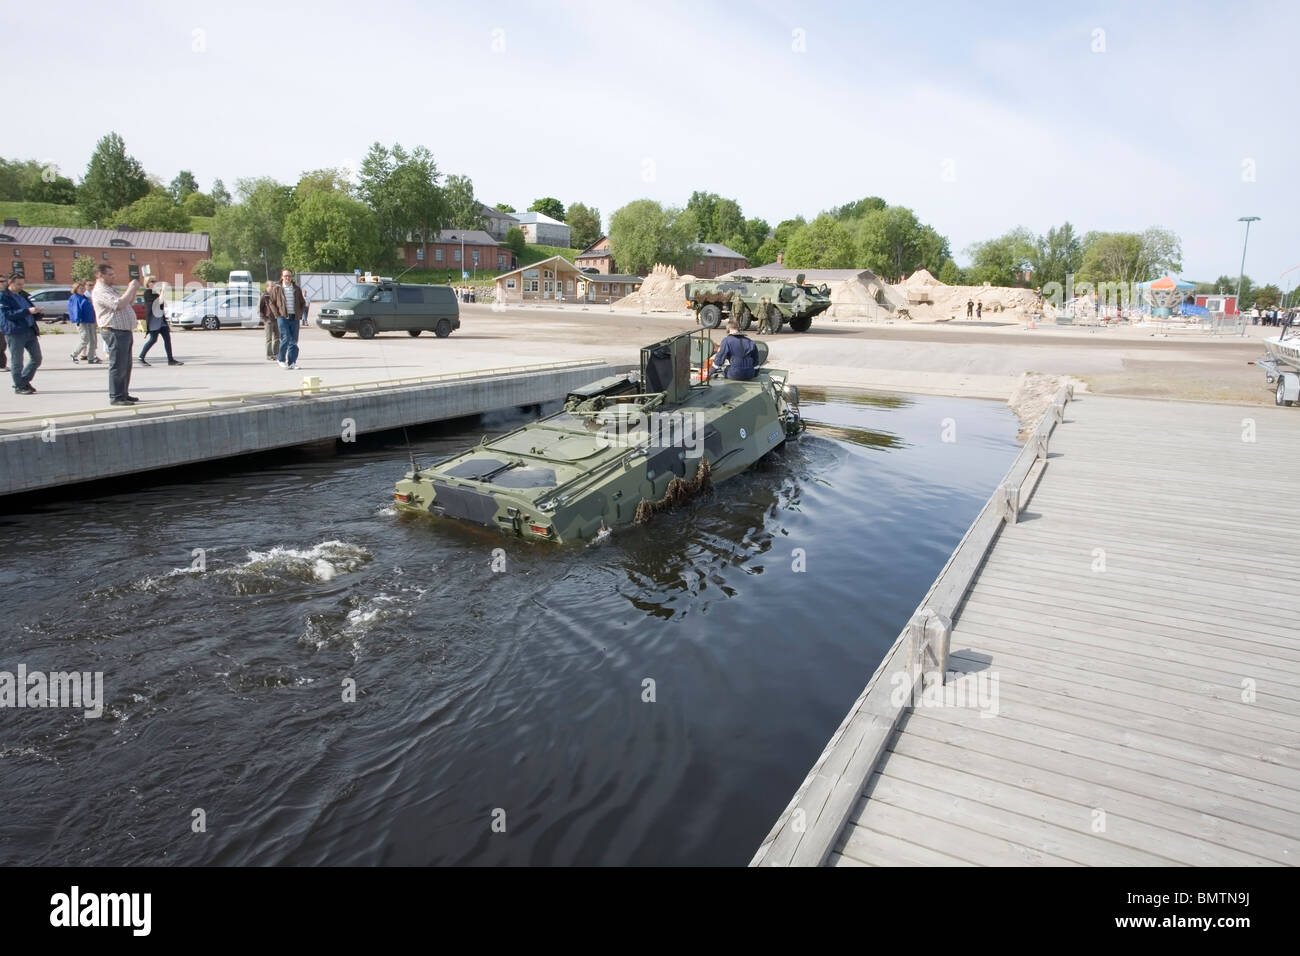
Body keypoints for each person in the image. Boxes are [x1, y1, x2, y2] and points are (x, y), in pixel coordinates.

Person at [91, 263, 141, 406]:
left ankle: (123, 393)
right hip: (114, 330)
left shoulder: (110, 289)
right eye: (110, 274)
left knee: (126, 364)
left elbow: (127, 303)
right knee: (118, 365)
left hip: (123, 330)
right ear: (100, 276)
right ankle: (116, 396)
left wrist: (133, 291)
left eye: (113, 274)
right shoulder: (100, 291)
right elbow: (118, 305)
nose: (114, 276)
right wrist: (130, 288)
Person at [1, 274, 43, 394]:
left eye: (22, 284)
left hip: (29, 330)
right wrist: (27, 311)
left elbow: (30, 309)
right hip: (15, 332)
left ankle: (23, 381)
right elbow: (8, 314)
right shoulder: (3, 296)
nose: (21, 286)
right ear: (10, 283)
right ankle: (19, 386)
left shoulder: (23, 295)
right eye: (18, 284)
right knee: (17, 361)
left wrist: (37, 312)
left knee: (37, 358)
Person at [139, 277, 182, 366]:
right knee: (153, 339)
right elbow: (159, 301)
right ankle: (141, 357)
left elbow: (163, 303)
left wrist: (161, 293)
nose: (155, 283)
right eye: (153, 281)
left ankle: (170, 360)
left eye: (155, 281)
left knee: (167, 339)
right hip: (154, 320)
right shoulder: (148, 292)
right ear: (148, 283)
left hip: (161, 319)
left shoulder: (155, 293)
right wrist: (163, 289)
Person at [268, 268, 307, 369]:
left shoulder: (296, 288)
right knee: (286, 338)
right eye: (286, 276)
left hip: (294, 318)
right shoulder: (277, 288)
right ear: (282, 277)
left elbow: (303, 303)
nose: (288, 278)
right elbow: (271, 302)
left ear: (292, 277)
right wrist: (277, 314)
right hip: (282, 317)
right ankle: (281, 359)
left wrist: (300, 313)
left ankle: (292, 362)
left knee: (294, 340)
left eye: (289, 276)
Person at [68, 279, 102, 363]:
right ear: (76, 289)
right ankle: (74, 354)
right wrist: (77, 320)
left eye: (83, 288)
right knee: (85, 339)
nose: (82, 289)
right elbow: (75, 309)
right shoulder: (75, 297)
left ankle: (91, 358)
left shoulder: (84, 297)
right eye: (80, 288)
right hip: (82, 321)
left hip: (90, 320)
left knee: (93, 340)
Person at [260, 280, 278, 360]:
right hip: (268, 321)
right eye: (272, 286)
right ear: (267, 287)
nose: (273, 287)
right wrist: (265, 319)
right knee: (269, 339)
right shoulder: (264, 296)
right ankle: (269, 355)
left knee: (278, 338)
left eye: (274, 286)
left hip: (277, 320)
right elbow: (259, 309)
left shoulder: (276, 296)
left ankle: (276, 353)